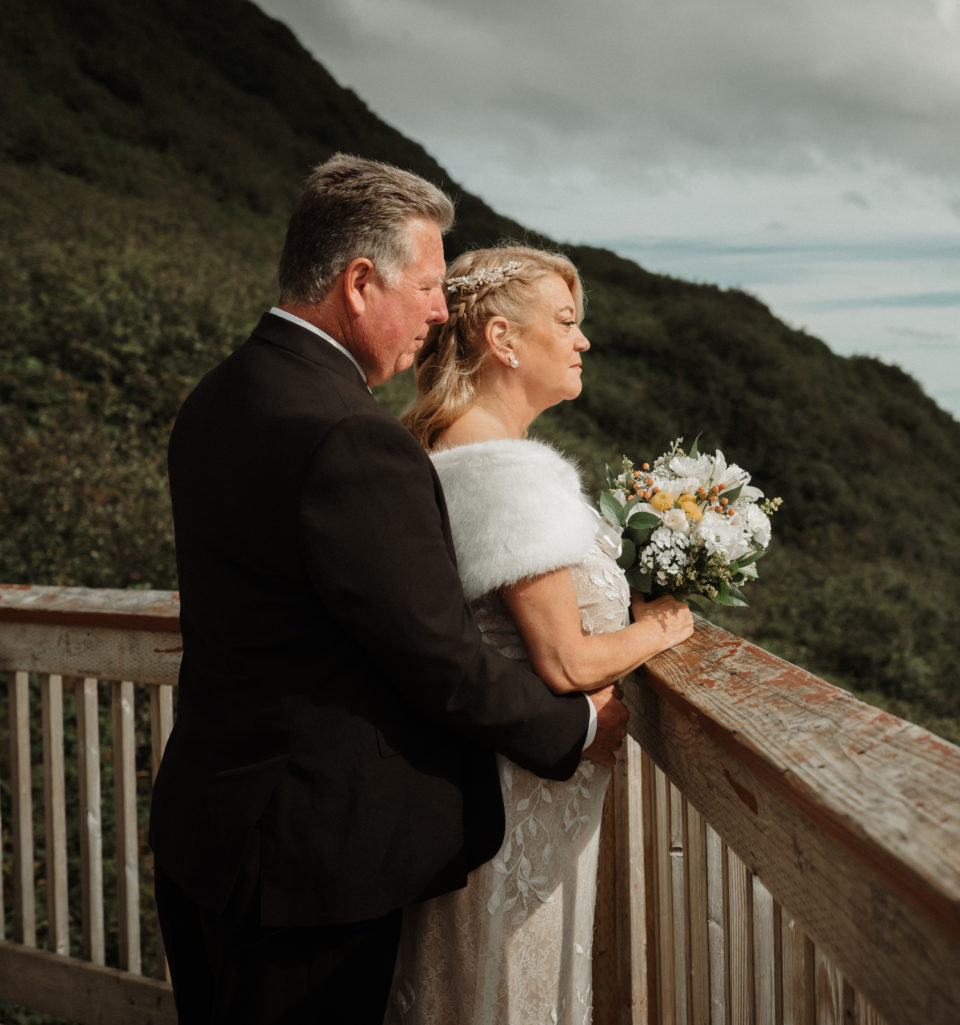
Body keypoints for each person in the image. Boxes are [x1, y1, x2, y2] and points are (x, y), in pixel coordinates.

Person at [149, 154, 628, 1024]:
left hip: (207, 824)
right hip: (304, 865)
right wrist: (579, 726)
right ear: (360, 283)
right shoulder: (351, 437)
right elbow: (441, 659)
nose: (442, 311)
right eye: (429, 286)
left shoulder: (217, 397)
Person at [385, 245, 693, 1024]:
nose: (582, 339)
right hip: (519, 796)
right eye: (565, 321)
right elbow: (566, 660)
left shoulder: (444, 442)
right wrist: (663, 626)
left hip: (483, 778)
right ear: (502, 339)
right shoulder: (506, 469)